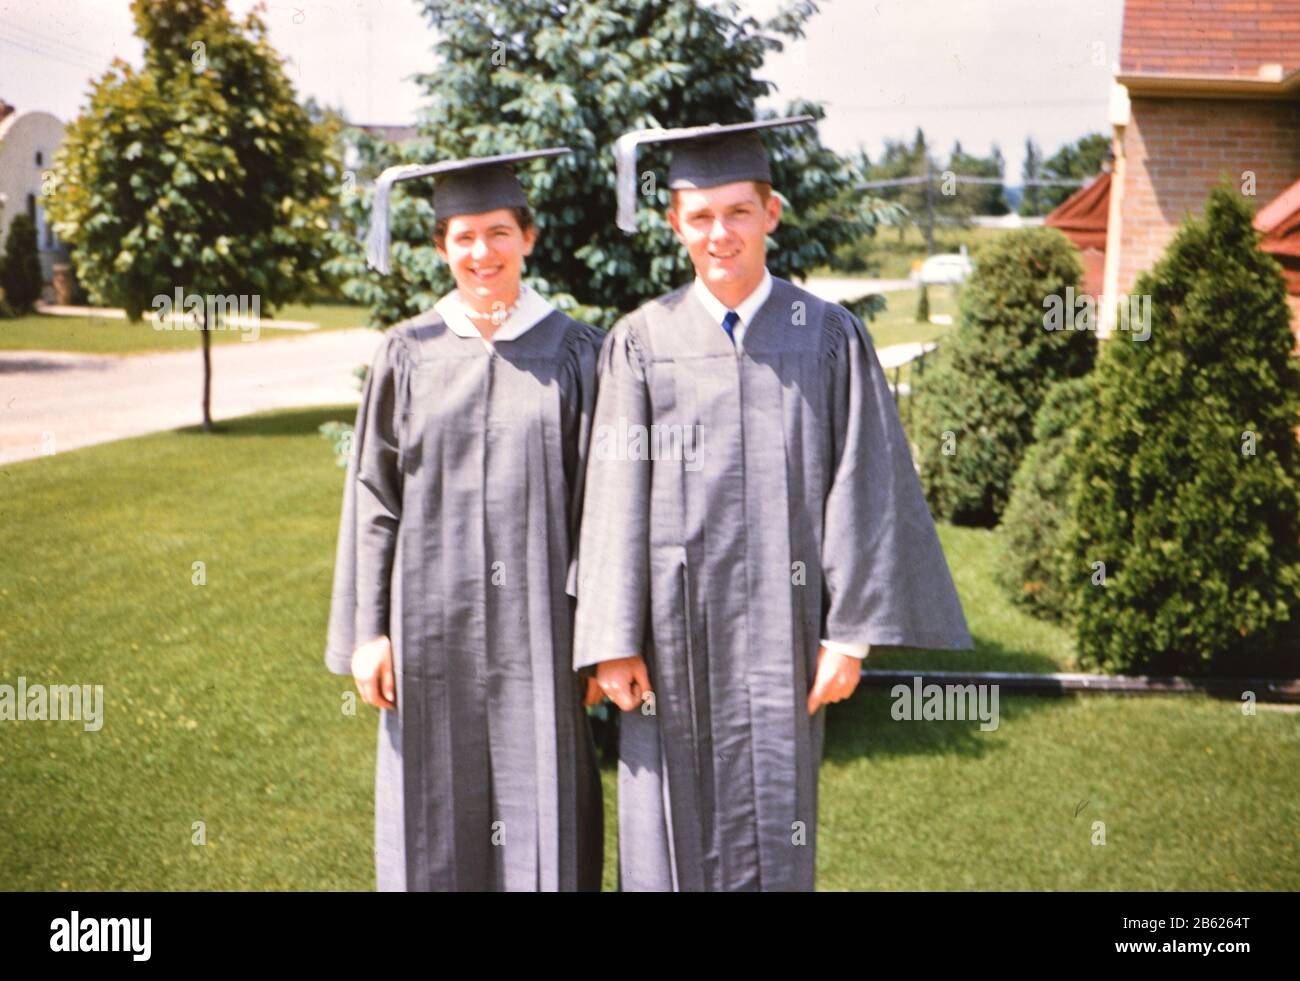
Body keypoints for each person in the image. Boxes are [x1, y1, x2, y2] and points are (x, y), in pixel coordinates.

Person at [574, 117, 974, 891]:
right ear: (674, 225)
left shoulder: (826, 336)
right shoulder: (641, 341)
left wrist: (852, 633)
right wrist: (613, 639)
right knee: (663, 836)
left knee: (775, 825)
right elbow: (613, 497)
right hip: (666, 639)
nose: (719, 233)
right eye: (700, 217)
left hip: (782, 640)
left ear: (772, 213)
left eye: (737, 212)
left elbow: (865, 484)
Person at [325, 148, 604, 891]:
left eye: (498, 233)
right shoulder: (407, 353)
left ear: (528, 238)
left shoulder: (577, 353)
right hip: (427, 633)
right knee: (432, 823)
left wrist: (601, 635)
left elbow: (602, 509)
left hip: (543, 631)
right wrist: (367, 632)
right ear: (444, 246)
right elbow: (373, 496)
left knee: (543, 810)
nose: (482, 253)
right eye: (464, 237)